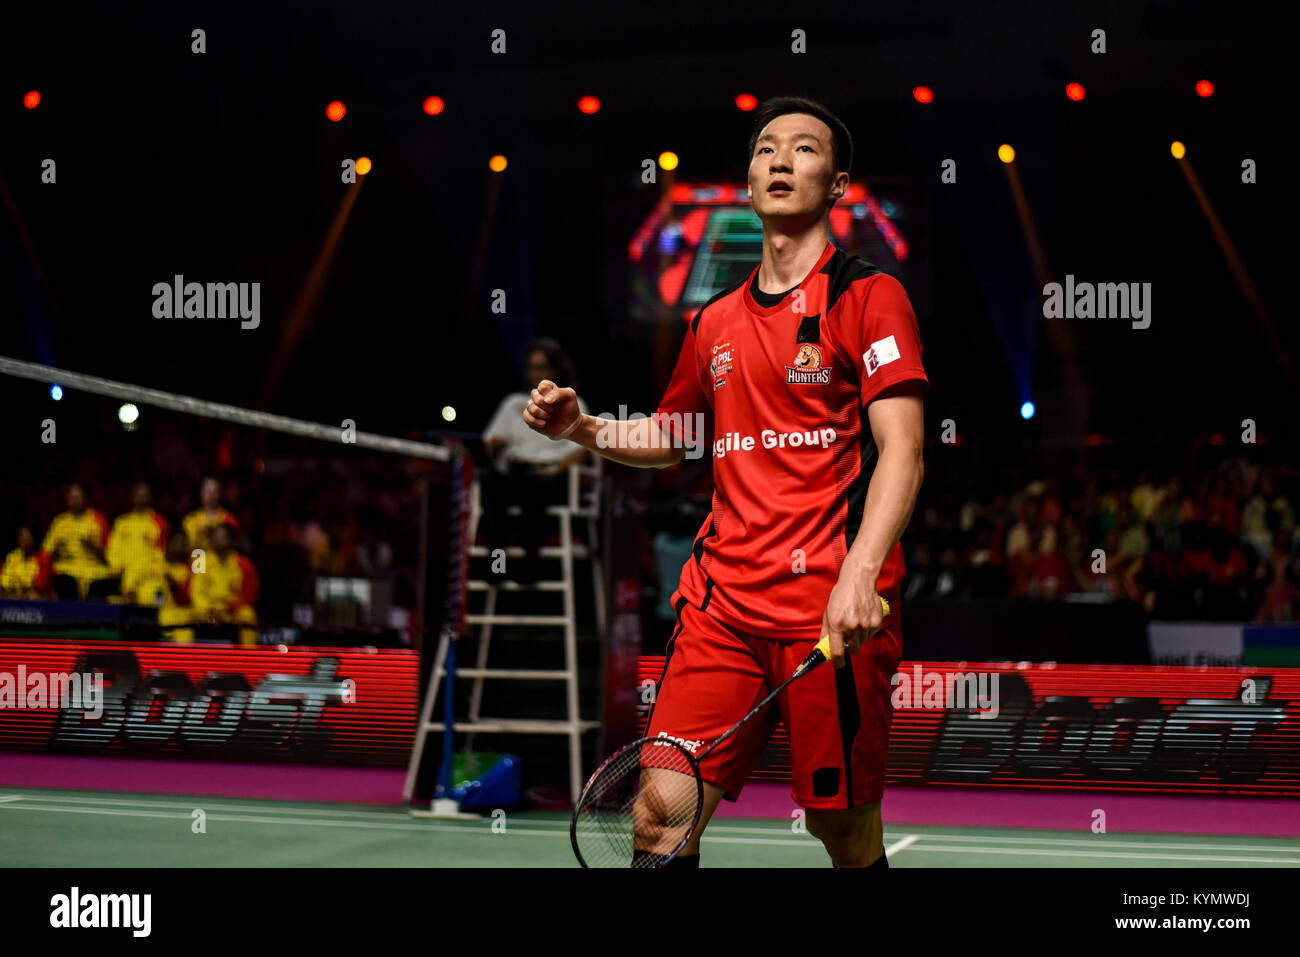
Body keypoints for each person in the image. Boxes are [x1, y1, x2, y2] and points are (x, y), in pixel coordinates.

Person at [523, 97, 926, 868]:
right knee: (658, 816)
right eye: (767, 149)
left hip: (829, 618)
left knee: (841, 831)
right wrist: (585, 427)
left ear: (837, 184)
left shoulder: (870, 298)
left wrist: (859, 573)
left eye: (803, 150)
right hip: (722, 608)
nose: (780, 160)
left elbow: (903, 450)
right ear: (747, 181)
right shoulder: (714, 323)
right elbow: (674, 436)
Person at [481, 338, 590, 583]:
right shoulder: (513, 403)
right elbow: (493, 441)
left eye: (542, 367)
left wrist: (554, 471)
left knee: (533, 488)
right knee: (491, 486)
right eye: (532, 367)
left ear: (555, 370)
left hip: (552, 477)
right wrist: (495, 445)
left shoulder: (573, 404)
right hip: (516, 473)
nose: (536, 373)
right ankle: (497, 566)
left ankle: (531, 566)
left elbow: (582, 451)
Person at [189, 522, 260, 645]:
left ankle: (248, 656)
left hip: (231, 612)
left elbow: (249, 597)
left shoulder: (244, 564)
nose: (219, 542)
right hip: (207, 611)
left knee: (248, 615)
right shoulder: (200, 561)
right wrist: (209, 609)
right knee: (188, 614)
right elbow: (196, 591)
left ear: (233, 541)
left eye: (223, 538)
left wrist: (226, 609)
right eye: (216, 538)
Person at [41, 483, 115, 599]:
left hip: (93, 572)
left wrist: (93, 548)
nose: (75, 501)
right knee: (61, 583)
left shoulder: (98, 520)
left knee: (99, 588)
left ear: (85, 499)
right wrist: (56, 551)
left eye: (78, 498)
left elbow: (111, 557)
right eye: (72, 498)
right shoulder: (60, 522)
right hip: (67, 570)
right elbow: (45, 553)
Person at [106, 482, 170, 605]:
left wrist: (138, 577)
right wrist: (119, 569)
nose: (141, 499)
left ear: (150, 498)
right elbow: (113, 550)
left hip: (149, 577)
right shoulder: (122, 522)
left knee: (158, 600)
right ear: (132, 497)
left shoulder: (160, 523)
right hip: (122, 576)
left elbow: (161, 556)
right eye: (138, 495)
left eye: (144, 496)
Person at [183, 478, 239, 554]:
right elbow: (185, 548)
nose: (211, 495)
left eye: (214, 492)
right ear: (201, 493)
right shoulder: (190, 519)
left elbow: (234, 548)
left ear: (220, 494)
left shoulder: (229, 520)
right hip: (198, 564)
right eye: (208, 491)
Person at [0, 527, 54, 598]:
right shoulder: (13, 556)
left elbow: (40, 585)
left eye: (27, 537)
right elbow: (4, 581)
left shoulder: (43, 558)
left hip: (35, 601)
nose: (24, 540)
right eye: (21, 537)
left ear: (34, 539)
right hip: (13, 597)